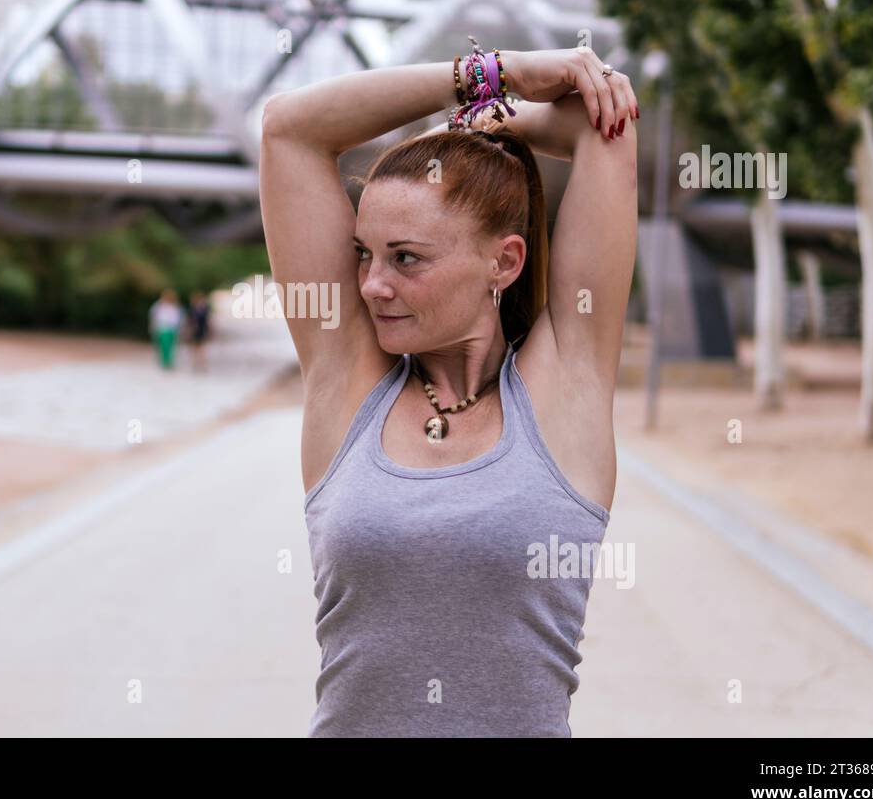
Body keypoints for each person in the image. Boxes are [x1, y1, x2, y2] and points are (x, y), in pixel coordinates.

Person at [259, 42, 638, 737]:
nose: (373, 285)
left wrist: (492, 129)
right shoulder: (348, 381)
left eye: (406, 259)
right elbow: (289, 128)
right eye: (363, 255)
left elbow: (601, 125)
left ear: (505, 261)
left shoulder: (566, 392)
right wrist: (487, 76)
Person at [147, 288, 184, 371]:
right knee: (163, 346)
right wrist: (153, 327)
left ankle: (169, 361)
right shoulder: (158, 305)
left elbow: (179, 318)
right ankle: (165, 362)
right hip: (162, 328)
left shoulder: (176, 306)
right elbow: (153, 316)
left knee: (171, 346)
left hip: (173, 329)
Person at [185, 290, 212, 373]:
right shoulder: (193, 310)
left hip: (200, 330)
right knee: (196, 349)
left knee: (200, 348)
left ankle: (200, 365)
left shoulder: (203, 310)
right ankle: (197, 365)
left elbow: (207, 321)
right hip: (195, 331)